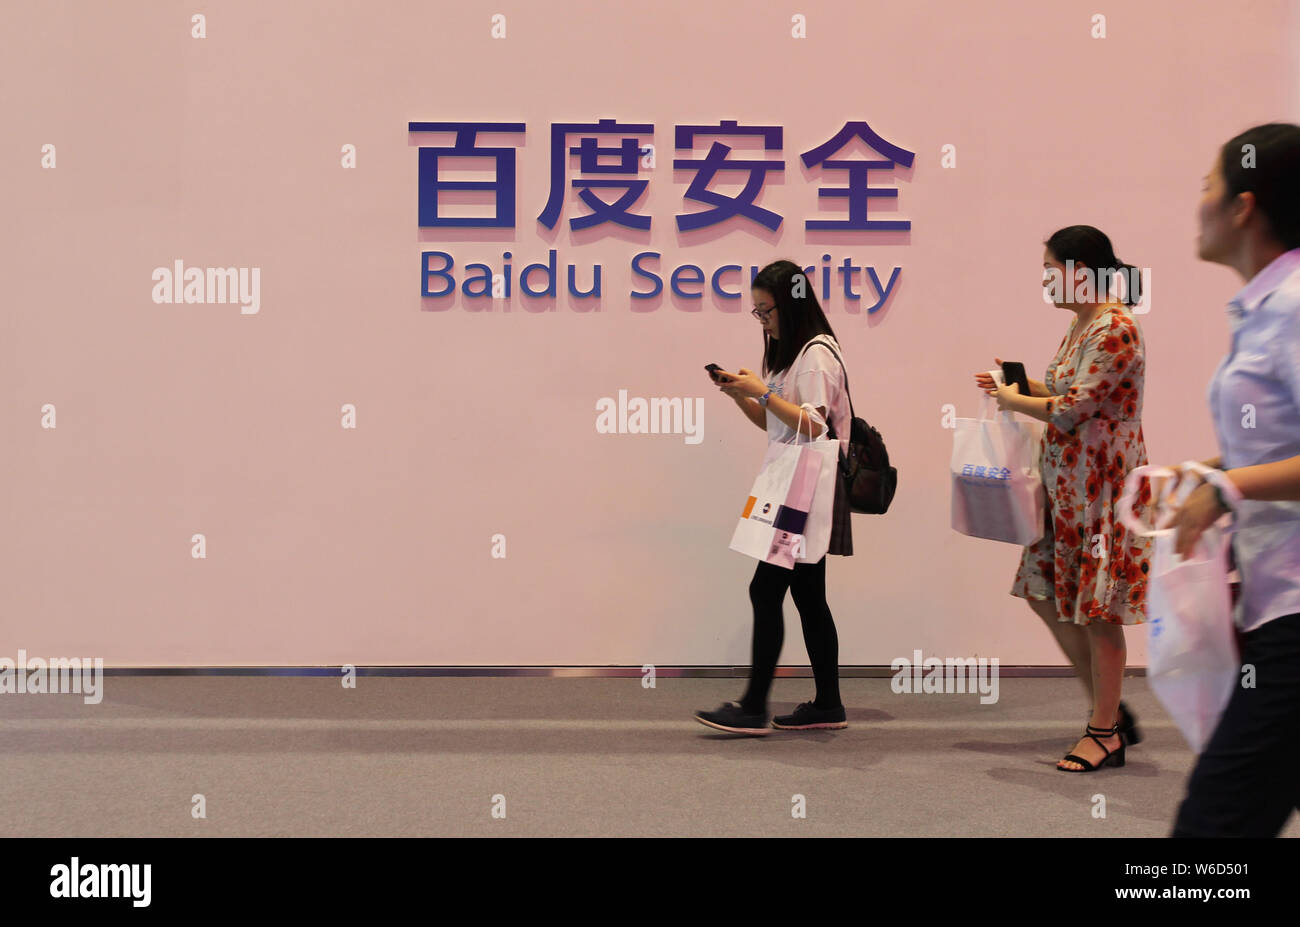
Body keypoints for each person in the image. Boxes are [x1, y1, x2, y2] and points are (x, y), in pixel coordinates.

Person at [974, 226, 1154, 771]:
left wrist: (1015, 399)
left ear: (1080, 269)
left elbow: (1073, 408)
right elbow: (1062, 389)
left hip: (1102, 494)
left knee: (1099, 614)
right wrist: (1021, 383)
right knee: (1044, 591)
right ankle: (1108, 706)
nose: (1047, 280)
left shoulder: (1116, 327)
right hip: (1068, 491)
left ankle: (1104, 730)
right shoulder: (1083, 324)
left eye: (1051, 269)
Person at [1165, 123, 1300, 836]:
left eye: (1207, 186)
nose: (1200, 203)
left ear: (1244, 206)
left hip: (1295, 624)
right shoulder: (1262, 309)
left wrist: (1228, 487)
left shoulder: (1295, 304)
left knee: (1209, 837)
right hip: (1272, 609)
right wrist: (1207, 470)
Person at [694, 259, 854, 735]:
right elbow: (778, 425)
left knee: (766, 590)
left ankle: (753, 707)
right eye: (756, 311)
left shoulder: (817, 355)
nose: (762, 319)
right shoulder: (793, 354)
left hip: (806, 490)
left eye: (766, 310)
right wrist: (743, 395)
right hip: (797, 486)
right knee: (808, 596)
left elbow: (815, 424)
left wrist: (762, 393)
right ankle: (828, 704)